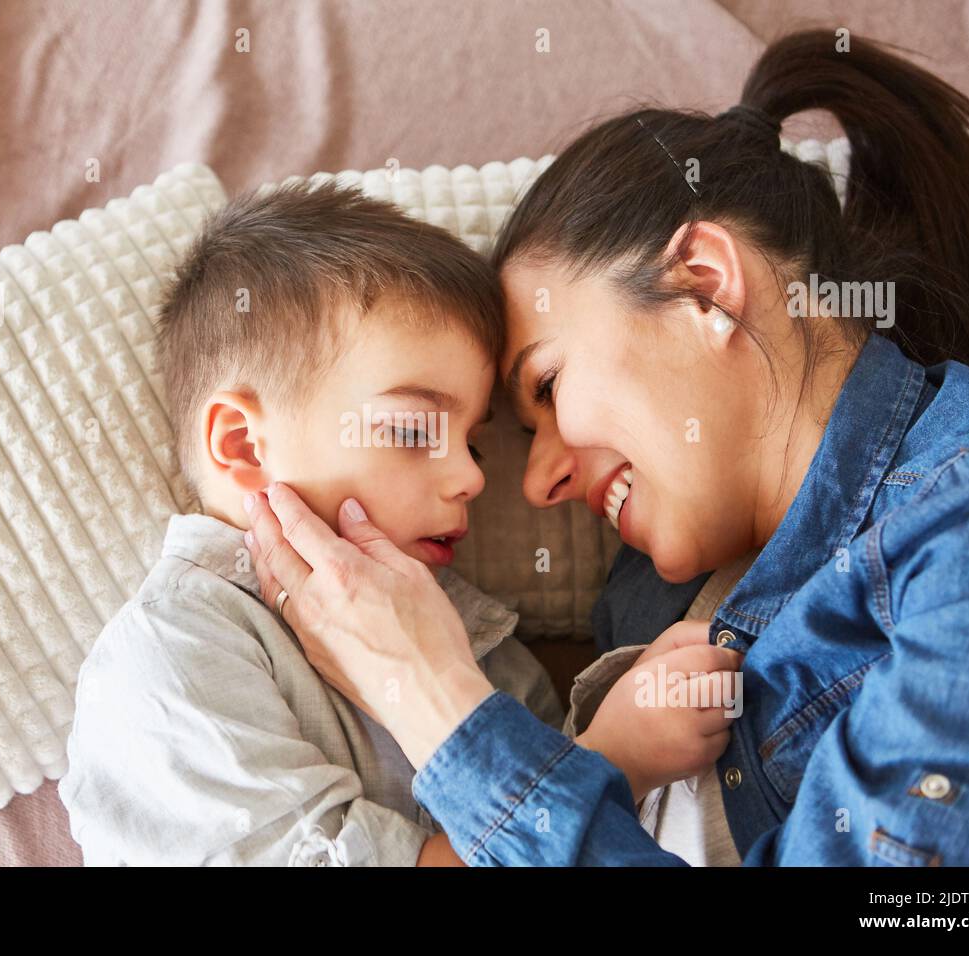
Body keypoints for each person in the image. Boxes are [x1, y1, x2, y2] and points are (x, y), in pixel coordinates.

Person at [243, 30, 969, 865]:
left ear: (704, 286)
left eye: (548, 384)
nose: (537, 484)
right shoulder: (651, 613)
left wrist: (437, 705)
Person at [60, 181, 586, 866]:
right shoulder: (171, 653)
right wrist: (619, 760)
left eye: (474, 444)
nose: (471, 477)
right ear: (244, 445)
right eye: (412, 429)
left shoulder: (480, 646)